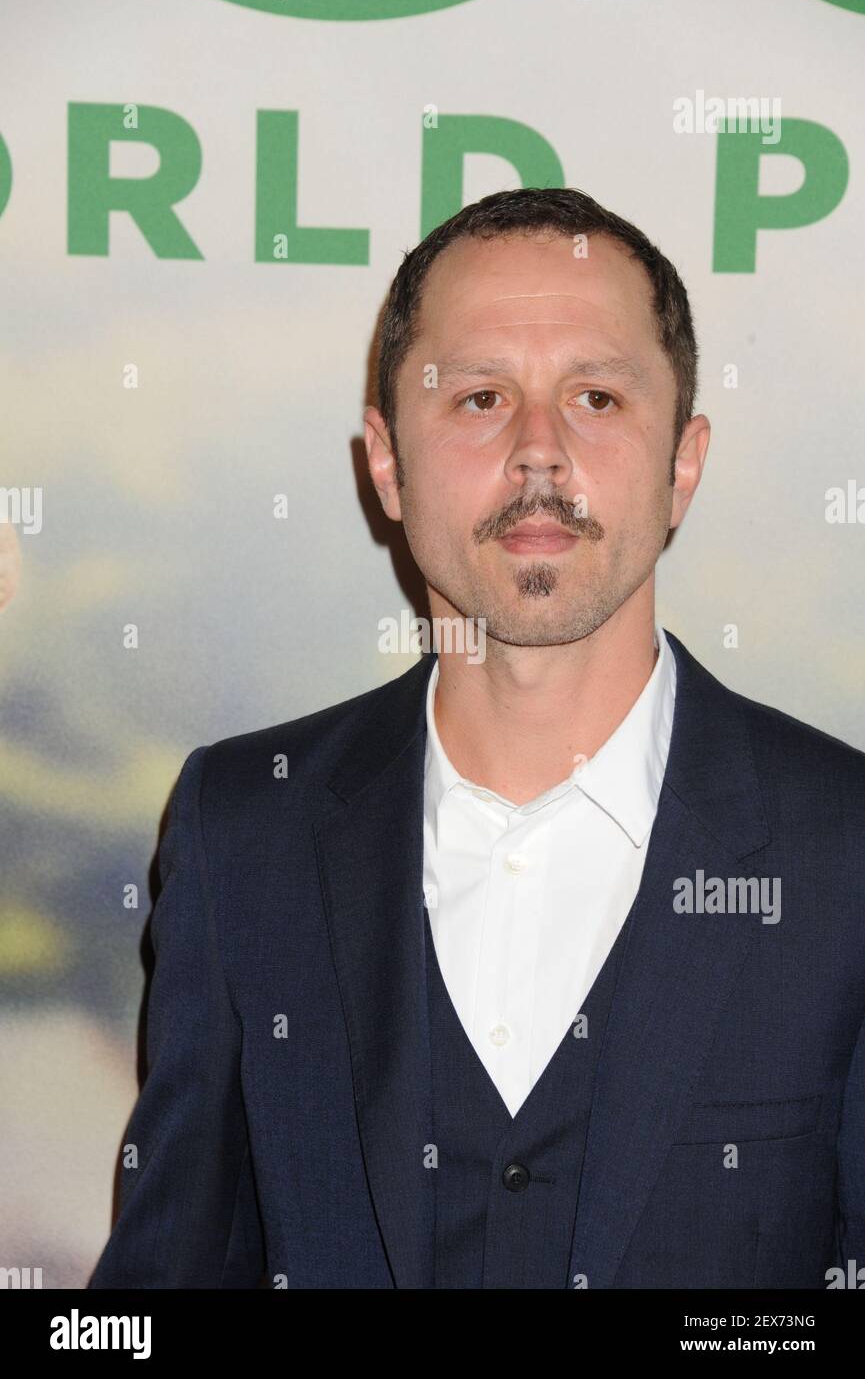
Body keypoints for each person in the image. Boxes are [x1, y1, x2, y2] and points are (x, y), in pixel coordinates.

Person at [89, 187, 865, 1289]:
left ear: (683, 461)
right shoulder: (242, 826)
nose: (538, 453)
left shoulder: (843, 850)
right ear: (388, 465)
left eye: (596, 397)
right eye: (479, 399)